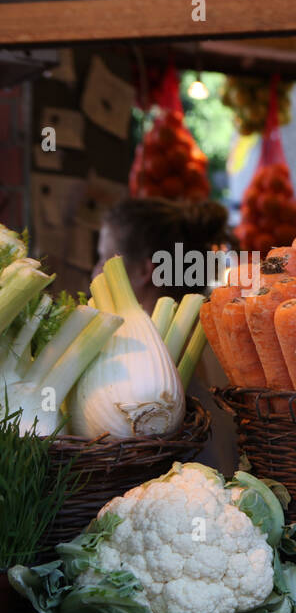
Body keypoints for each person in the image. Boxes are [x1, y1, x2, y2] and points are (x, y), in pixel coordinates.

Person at [96, 198, 238, 474]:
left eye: (103, 258)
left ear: (143, 271)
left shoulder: (151, 355)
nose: (95, 270)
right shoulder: (218, 332)